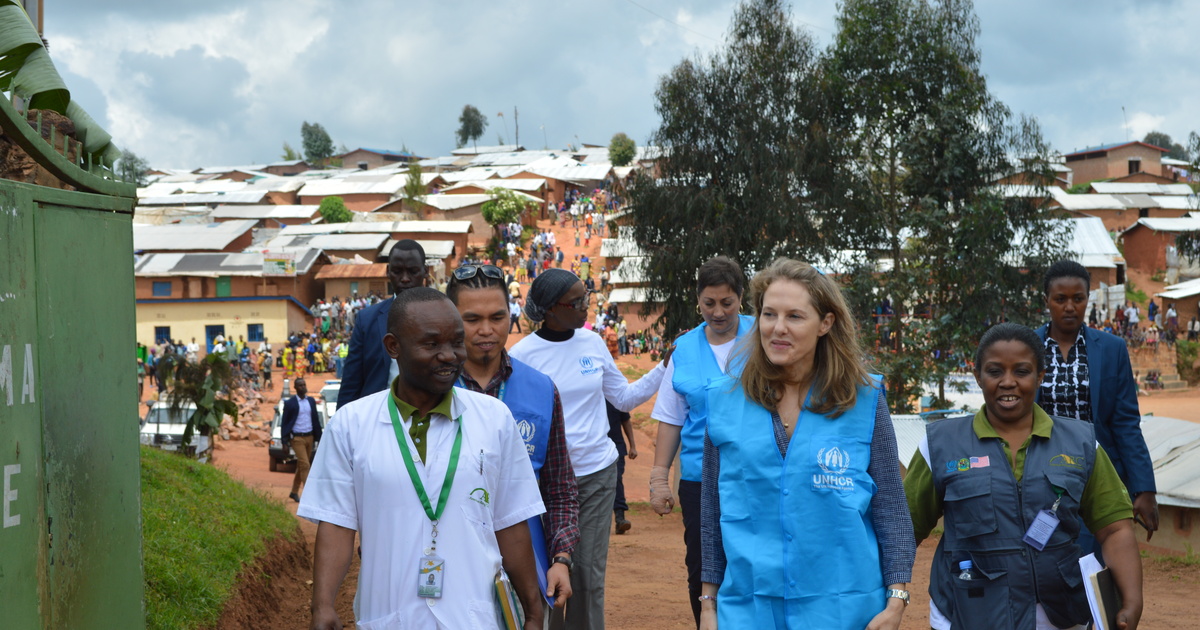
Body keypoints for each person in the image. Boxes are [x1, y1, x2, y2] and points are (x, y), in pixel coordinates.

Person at [300, 288, 547, 630]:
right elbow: (337, 524)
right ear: (393, 347)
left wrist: (533, 611)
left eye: (456, 342)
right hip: (389, 614)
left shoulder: (495, 419)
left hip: (473, 616)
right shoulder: (350, 425)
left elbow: (511, 522)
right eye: (431, 345)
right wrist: (322, 605)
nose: (449, 356)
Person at [700, 258, 914, 630]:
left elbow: (891, 507)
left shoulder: (863, 400)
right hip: (751, 609)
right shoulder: (723, 402)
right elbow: (712, 513)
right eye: (769, 314)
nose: (777, 329)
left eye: (795, 316)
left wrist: (896, 600)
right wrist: (707, 605)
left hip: (844, 610)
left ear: (825, 324)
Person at [904, 323, 1143, 629]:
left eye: (1021, 371)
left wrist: (1132, 600)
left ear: (1040, 375)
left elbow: (1115, 529)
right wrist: (893, 593)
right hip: (966, 614)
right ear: (977, 375)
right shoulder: (940, 445)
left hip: (1061, 617)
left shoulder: (1081, 443)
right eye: (994, 371)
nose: (1008, 382)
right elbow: (904, 529)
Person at [510, 268, 666, 630]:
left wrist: (664, 366)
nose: (586, 307)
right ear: (549, 310)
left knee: (588, 576)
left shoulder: (593, 343)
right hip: (543, 483)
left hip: (597, 474)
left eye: (587, 297)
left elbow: (624, 397)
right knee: (546, 571)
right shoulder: (522, 357)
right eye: (577, 301)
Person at [446, 264, 581, 625]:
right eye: (471, 319)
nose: (486, 330)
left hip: (525, 575)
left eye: (497, 316)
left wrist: (561, 558)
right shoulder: (430, 391)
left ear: (512, 315)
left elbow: (559, 488)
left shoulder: (541, 389)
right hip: (449, 572)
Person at [648, 256, 754, 627]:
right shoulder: (684, 349)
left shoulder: (763, 337)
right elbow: (672, 417)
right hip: (699, 481)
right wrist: (660, 477)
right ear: (698, 301)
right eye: (709, 303)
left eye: (727, 302)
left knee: (754, 564)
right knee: (703, 569)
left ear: (741, 298)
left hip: (757, 475)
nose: (718, 312)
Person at [1035, 261, 1158, 548]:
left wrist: (1144, 488)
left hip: (1098, 475)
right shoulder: (1029, 348)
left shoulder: (1112, 348)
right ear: (1047, 301)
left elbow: (1126, 422)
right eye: (1060, 299)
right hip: (1041, 477)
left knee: (1099, 566)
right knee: (1044, 563)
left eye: (1077, 299)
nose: (1069, 307)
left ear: (1087, 300)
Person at [339, 240, 428, 407]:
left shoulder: (442, 317)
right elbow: (351, 382)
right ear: (388, 272)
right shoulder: (367, 320)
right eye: (397, 271)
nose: (405, 279)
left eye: (413, 271)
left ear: (425, 271)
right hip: (375, 418)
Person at [281, 378, 322, 503]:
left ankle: (294, 492)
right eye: (300, 385)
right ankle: (309, 495)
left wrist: (319, 438)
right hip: (297, 438)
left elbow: (315, 420)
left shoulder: (311, 401)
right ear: (295, 387)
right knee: (305, 464)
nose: (303, 387)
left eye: (304, 384)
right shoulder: (290, 403)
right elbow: (285, 423)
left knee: (301, 465)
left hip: (310, 437)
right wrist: (284, 442)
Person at [606, 401, 636, 534]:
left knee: (616, 479)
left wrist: (633, 446)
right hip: (595, 450)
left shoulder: (615, 398)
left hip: (617, 448)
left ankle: (620, 518)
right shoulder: (587, 396)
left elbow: (626, 421)